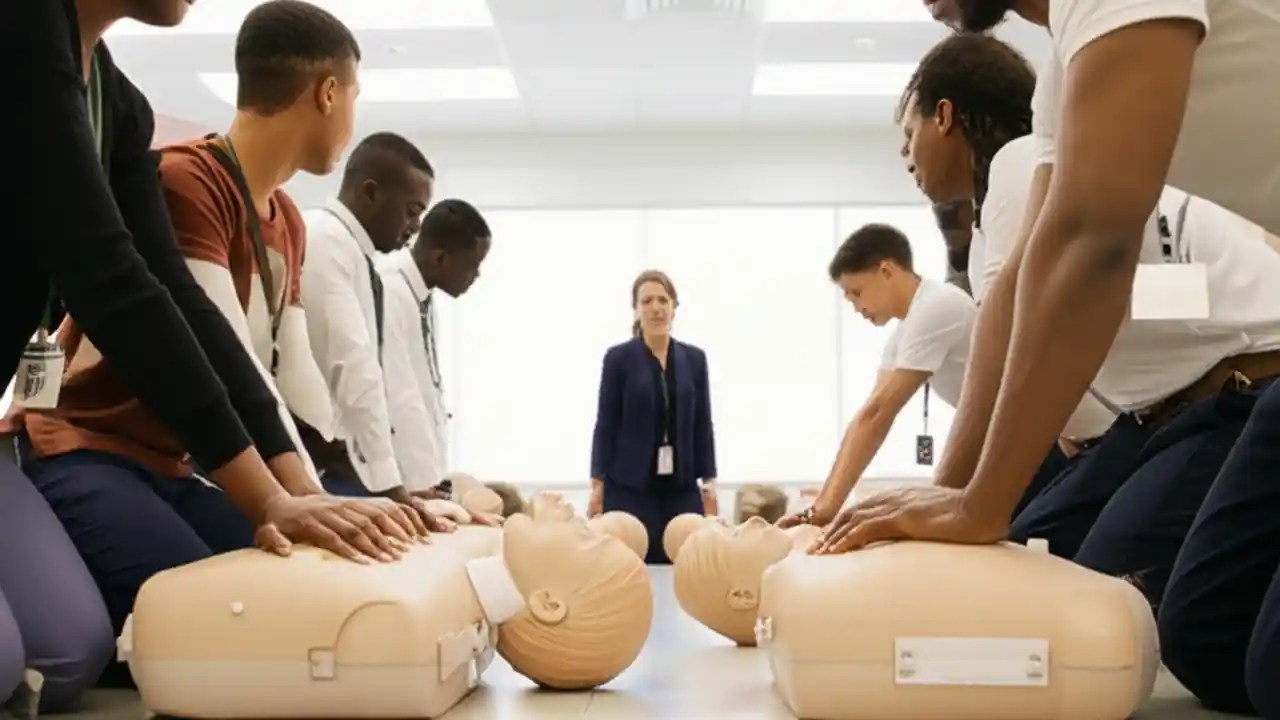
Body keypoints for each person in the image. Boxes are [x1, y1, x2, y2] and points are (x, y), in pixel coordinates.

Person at [2, 0, 420, 708]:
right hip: (78, 446)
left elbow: (188, 312)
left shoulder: (119, 106)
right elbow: (112, 284)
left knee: (66, 655)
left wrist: (300, 496)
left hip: (158, 462)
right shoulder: (21, 28)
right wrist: (270, 498)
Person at [301, 132, 436, 505]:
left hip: (343, 459)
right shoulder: (324, 242)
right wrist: (391, 487)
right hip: (321, 459)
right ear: (370, 193)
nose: (416, 227)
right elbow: (352, 367)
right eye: (412, 210)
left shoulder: (356, 256)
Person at [589, 270, 718, 564]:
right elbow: (606, 423)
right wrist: (597, 485)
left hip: (681, 486)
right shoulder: (618, 359)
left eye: (663, 300)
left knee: (686, 563)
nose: (656, 308)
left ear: (674, 307)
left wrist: (709, 482)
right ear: (636, 308)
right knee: (632, 565)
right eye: (647, 301)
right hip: (629, 485)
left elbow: (703, 422)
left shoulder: (694, 359)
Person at [379, 199, 492, 492]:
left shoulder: (423, 297)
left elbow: (426, 391)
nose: (476, 276)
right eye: (472, 266)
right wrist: (424, 486)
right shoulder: (390, 291)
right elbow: (401, 397)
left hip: (420, 474)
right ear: (440, 258)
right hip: (396, 478)